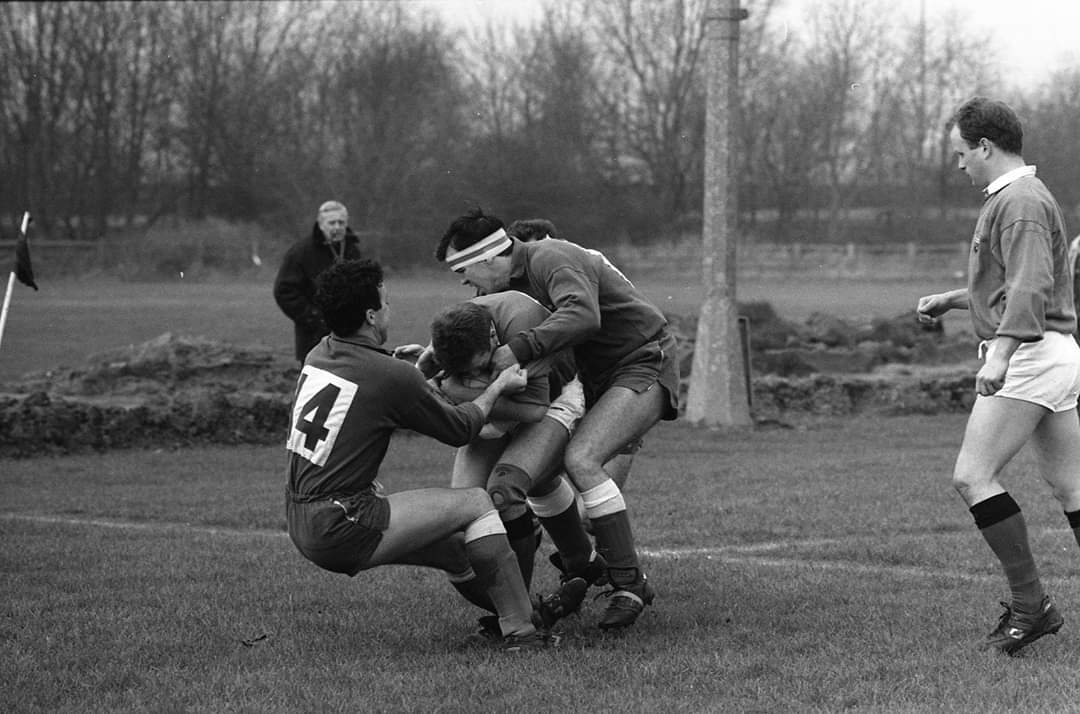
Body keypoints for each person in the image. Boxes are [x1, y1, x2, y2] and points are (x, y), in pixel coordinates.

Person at [284, 258, 555, 652]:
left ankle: (524, 613)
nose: (389, 309)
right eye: (386, 302)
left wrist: (417, 374)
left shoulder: (318, 354)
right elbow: (460, 429)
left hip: (300, 517)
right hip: (343, 519)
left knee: (455, 552)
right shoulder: (390, 375)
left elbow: (368, 398)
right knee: (476, 503)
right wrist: (498, 387)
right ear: (371, 315)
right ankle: (522, 634)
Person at [434, 208, 681, 630]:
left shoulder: (551, 256)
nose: (463, 282)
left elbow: (584, 315)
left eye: (464, 270)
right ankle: (580, 566)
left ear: (489, 257)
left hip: (641, 359)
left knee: (582, 459)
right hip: (591, 378)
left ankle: (629, 583)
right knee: (536, 479)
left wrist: (517, 350)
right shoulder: (504, 287)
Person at [916, 96, 1080, 655]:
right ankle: (1033, 607)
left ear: (985, 146)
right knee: (1073, 488)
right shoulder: (1018, 197)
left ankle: (1032, 607)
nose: (959, 163)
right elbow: (1015, 284)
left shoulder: (1021, 201)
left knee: (973, 476)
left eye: (961, 152)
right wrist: (955, 298)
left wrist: (1001, 354)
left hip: (1031, 355)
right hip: (1054, 352)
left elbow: (1031, 288)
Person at [421, 294, 606, 627]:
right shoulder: (455, 330)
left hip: (558, 396)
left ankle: (519, 613)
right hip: (505, 408)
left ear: (493, 338)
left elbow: (533, 410)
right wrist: (428, 375)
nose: (466, 281)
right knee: (465, 509)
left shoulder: (523, 322)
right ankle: (581, 560)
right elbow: (441, 388)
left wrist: (460, 392)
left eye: (476, 367)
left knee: (505, 490)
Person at [274, 201, 364, 364]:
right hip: (313, 339)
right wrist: (314, 318)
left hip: (351, 337)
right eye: (332, 223)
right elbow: (284, 291)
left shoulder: (353, 251)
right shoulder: (300, 252)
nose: (337, 227)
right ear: (321, 225)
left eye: (341, 222)